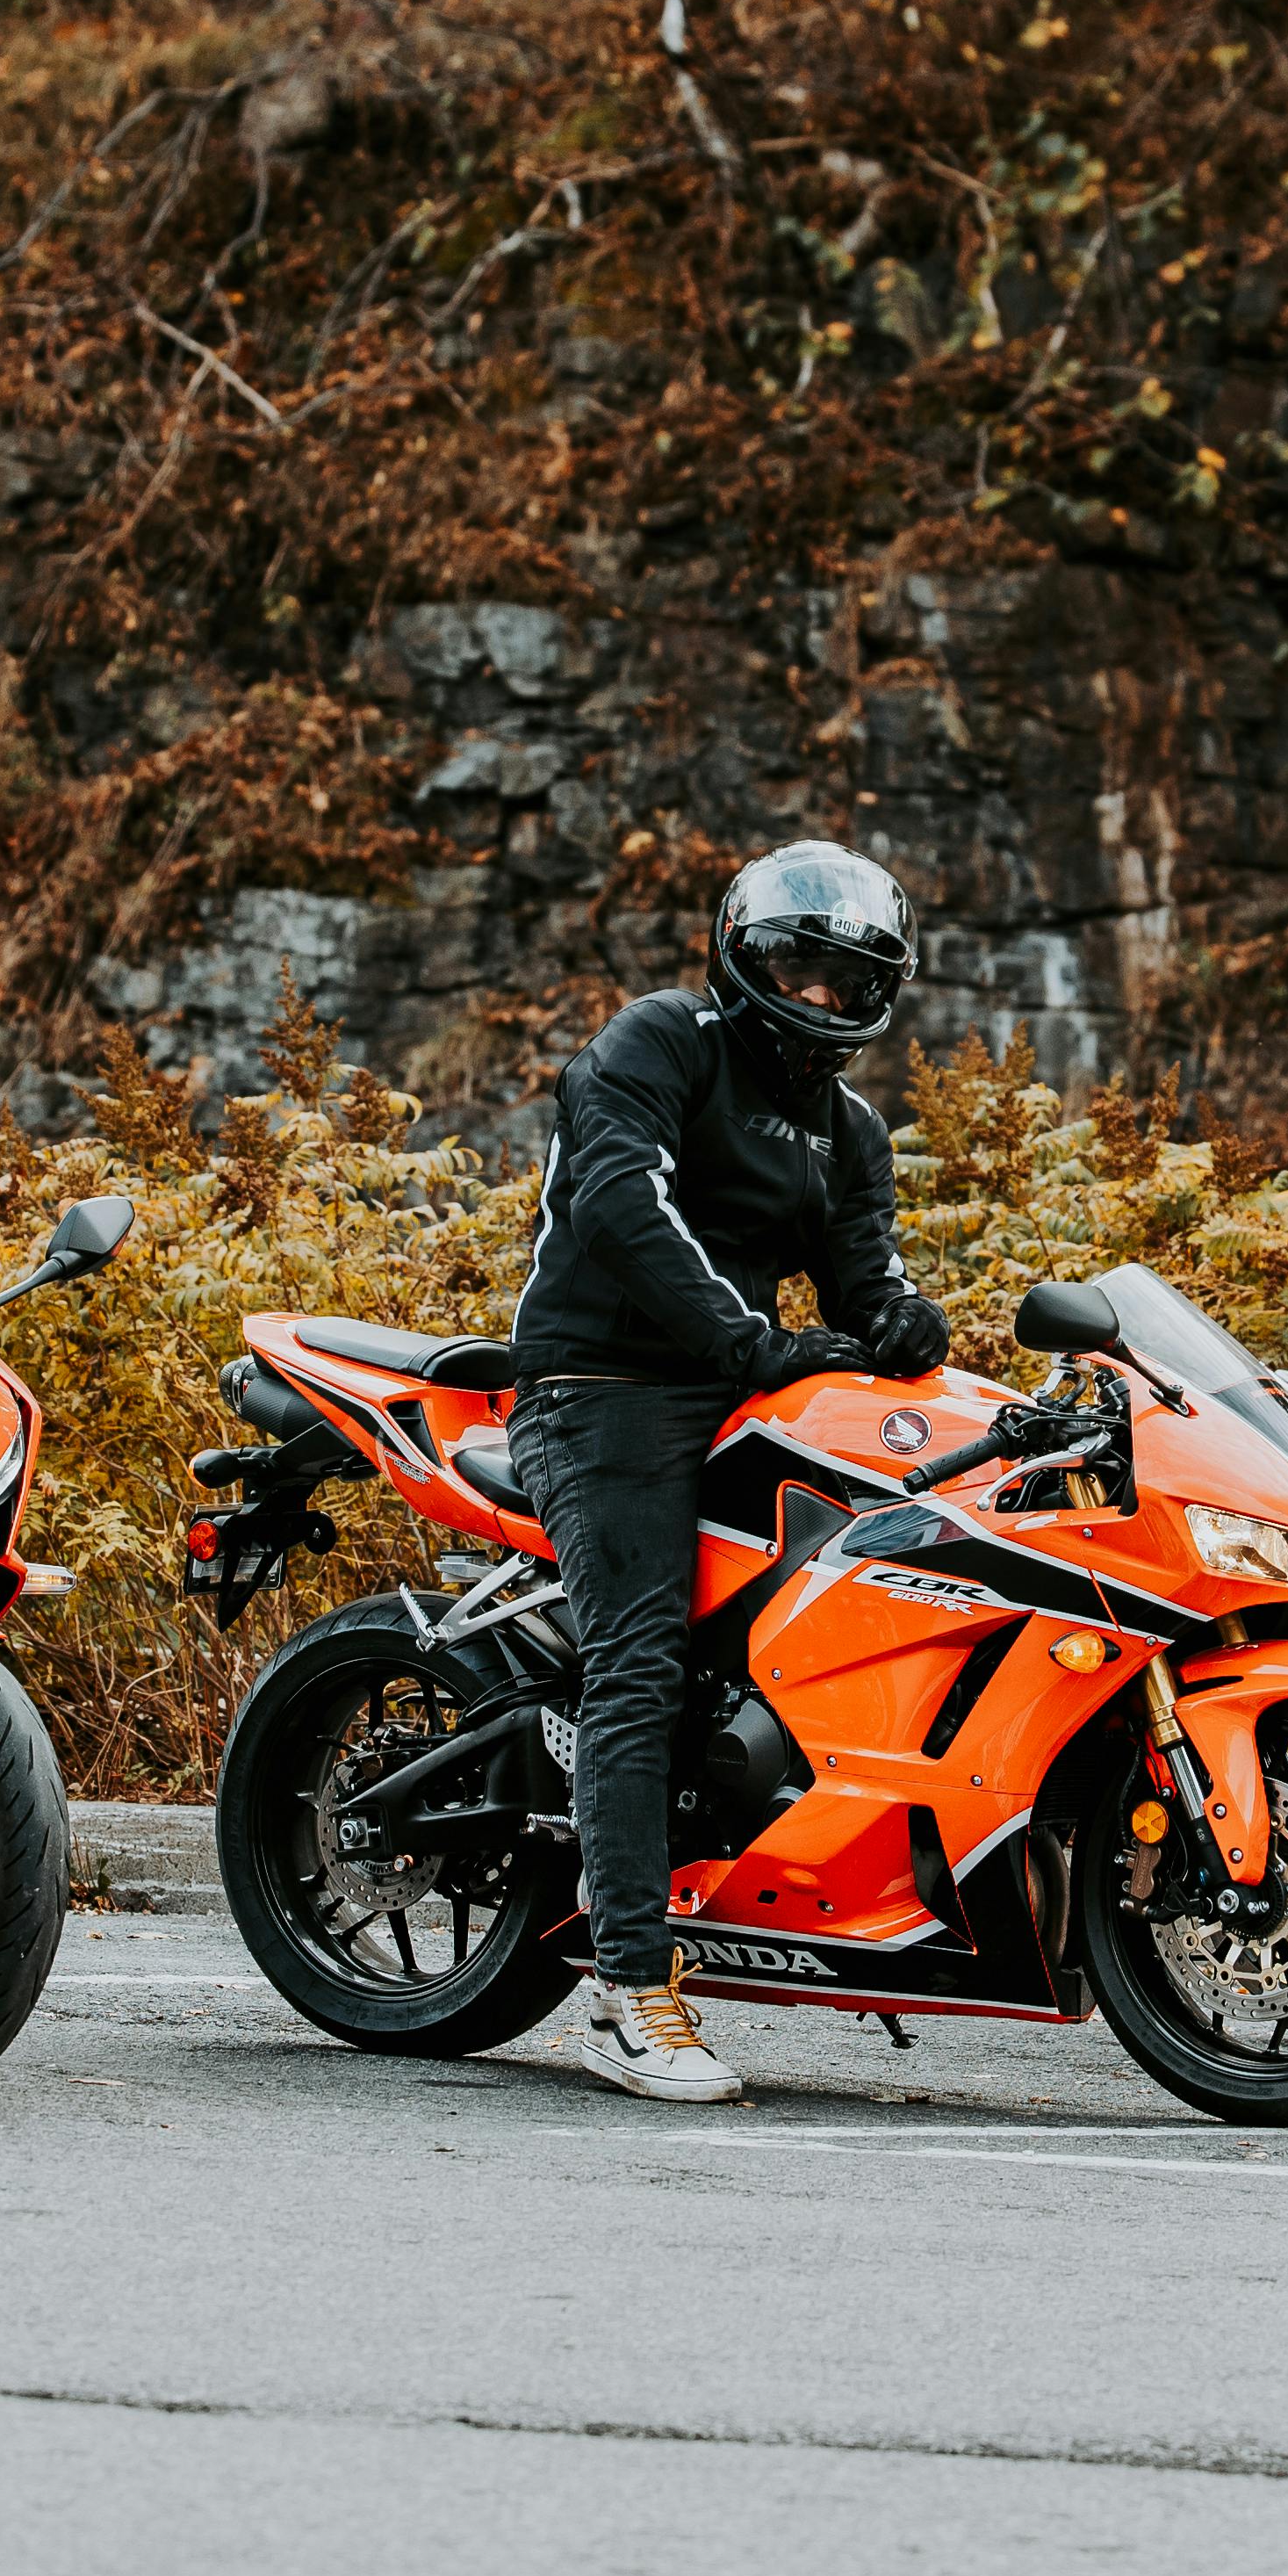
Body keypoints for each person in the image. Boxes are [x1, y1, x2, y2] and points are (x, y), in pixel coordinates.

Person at [507, 841, 951, 2103]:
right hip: (601, 1388)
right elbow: (623, 1207)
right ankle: (631, 1992)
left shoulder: (848, 1126)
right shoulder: (658, 1043)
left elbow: (866, 1272)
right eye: (798, 969)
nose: (816, 998)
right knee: (639, 1655)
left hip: (746, 1390)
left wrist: (906, 1325)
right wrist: (750, 1342)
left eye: (844, 979)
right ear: (745, 955)